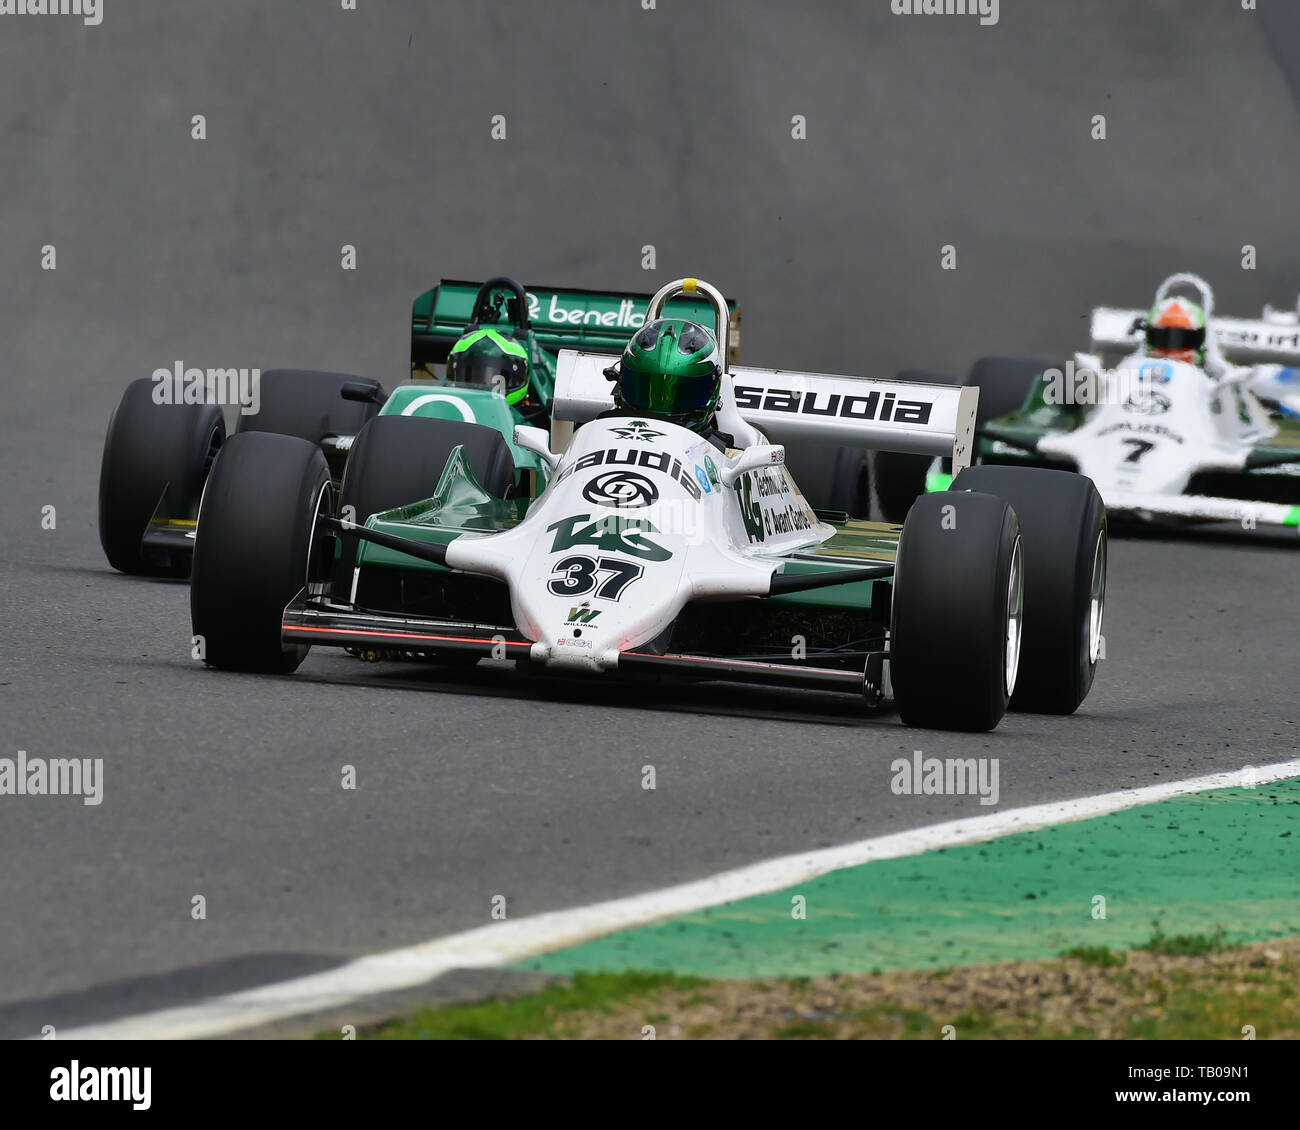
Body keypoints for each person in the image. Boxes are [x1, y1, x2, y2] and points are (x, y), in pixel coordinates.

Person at [604, 318, 725, 441]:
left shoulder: (728, 456)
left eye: (684, 394)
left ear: (714, 389)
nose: (659, 416)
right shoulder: (598, 434)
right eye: (643, 390)